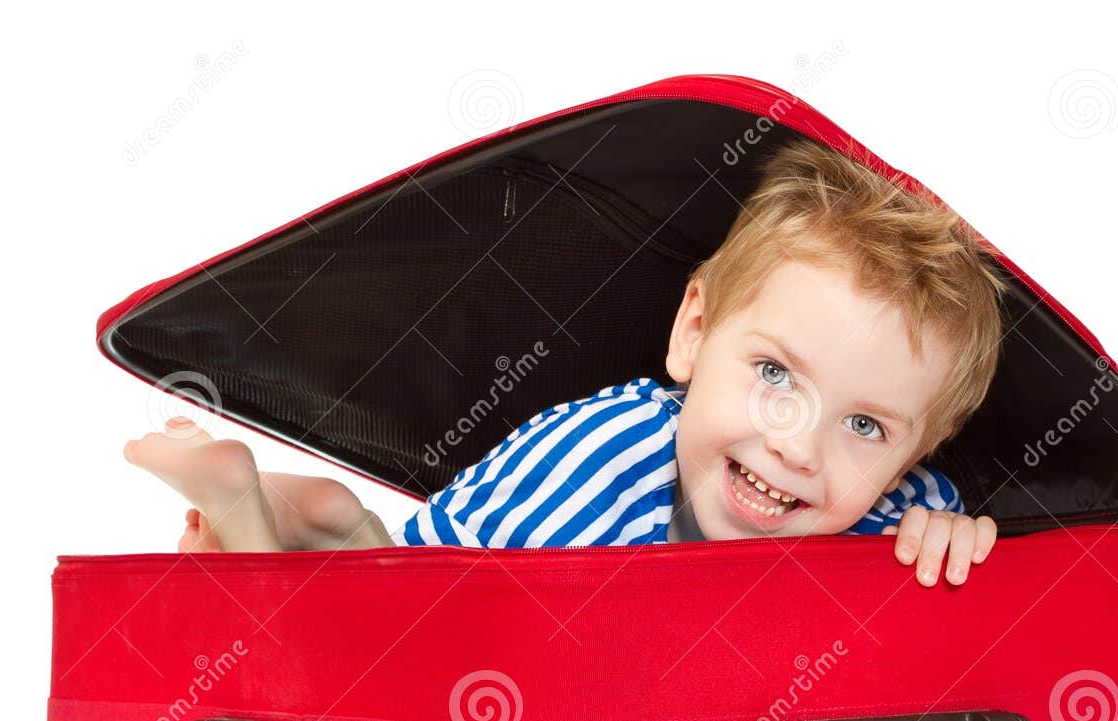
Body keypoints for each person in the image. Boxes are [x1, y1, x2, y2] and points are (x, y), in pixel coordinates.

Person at [125, 137, 1006, 587]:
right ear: (694, 333)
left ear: (914, 453)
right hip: (481, 585)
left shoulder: (891, 515)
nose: (797, 447)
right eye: (775, 374)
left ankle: (341, 526)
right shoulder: (601, 470)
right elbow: (440, 634)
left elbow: (944, 564)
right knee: (362, 659)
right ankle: (283, 522)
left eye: (863, 425)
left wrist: (958, 549)